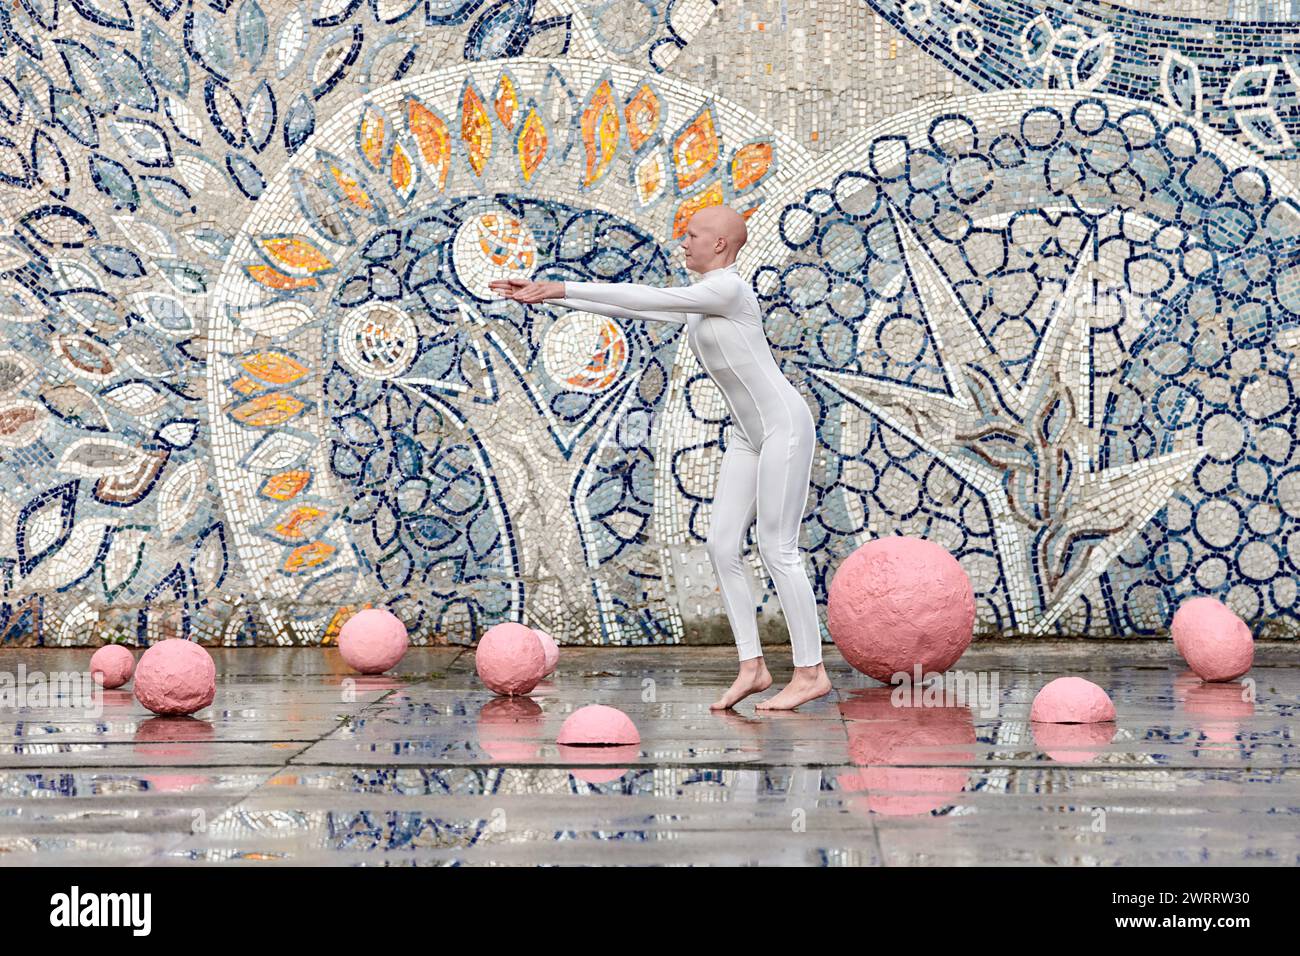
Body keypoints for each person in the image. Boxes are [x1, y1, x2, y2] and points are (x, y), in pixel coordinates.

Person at [490, 205, 832, 711]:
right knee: (721, 546)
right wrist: (559, 295)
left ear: (720, 245)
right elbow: (635, 305)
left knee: (776, 546)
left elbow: (650, 295)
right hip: (747, 434)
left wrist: (559, 287)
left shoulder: (728, 289)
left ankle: (811, 671)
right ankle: (753, 667)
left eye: (692, 236)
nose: (684, 243)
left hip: (784, 426)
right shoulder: (702, 301)